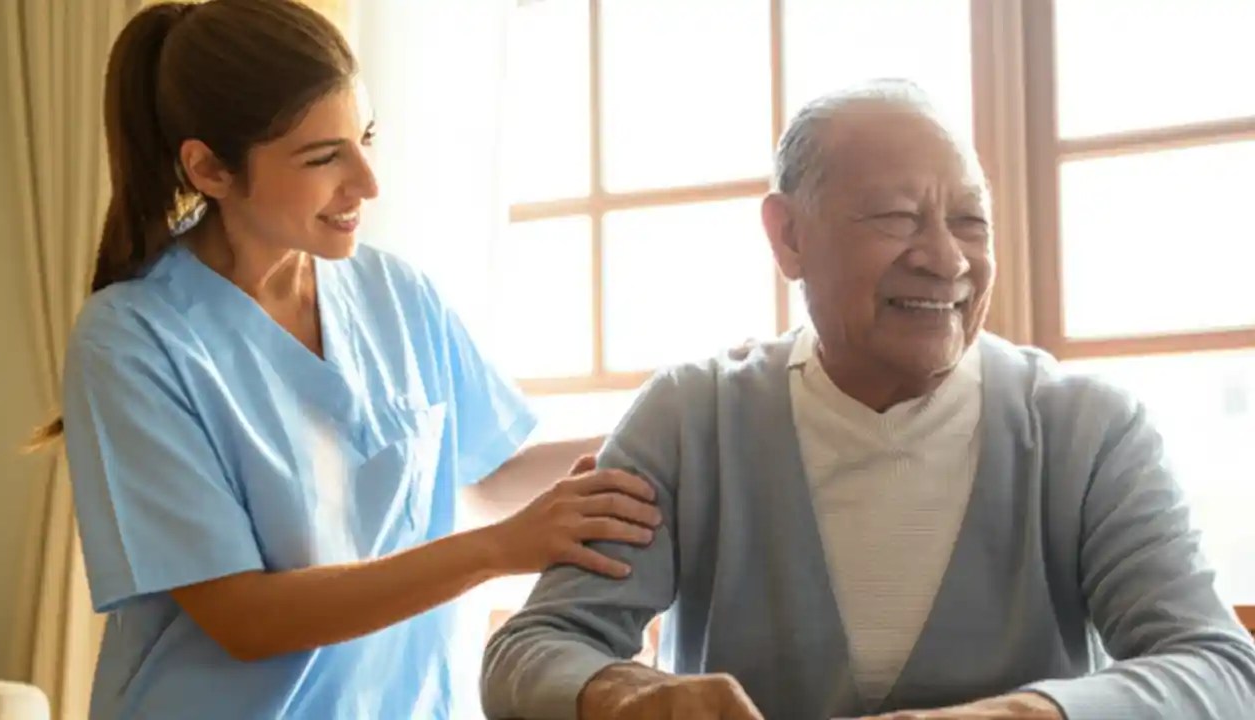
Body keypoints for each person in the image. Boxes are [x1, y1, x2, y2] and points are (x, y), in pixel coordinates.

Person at [479, 80, 1255, 720]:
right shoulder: (691, 418)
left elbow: (1219, 668)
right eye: (895, 218)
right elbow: (530, 651)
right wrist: (621, 693)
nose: (947, 260)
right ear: (788, 237)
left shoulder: (1087, 430)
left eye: (969, 222)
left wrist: (1026, 715)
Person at [34, 1, 661, 718]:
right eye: (323, 156)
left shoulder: (397, 294)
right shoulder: (133, 340)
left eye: (365, 138)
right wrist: (498, 551)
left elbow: (489, 474)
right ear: (209, 169)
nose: (367, 182)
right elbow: (246, 618)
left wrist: (676, 432)